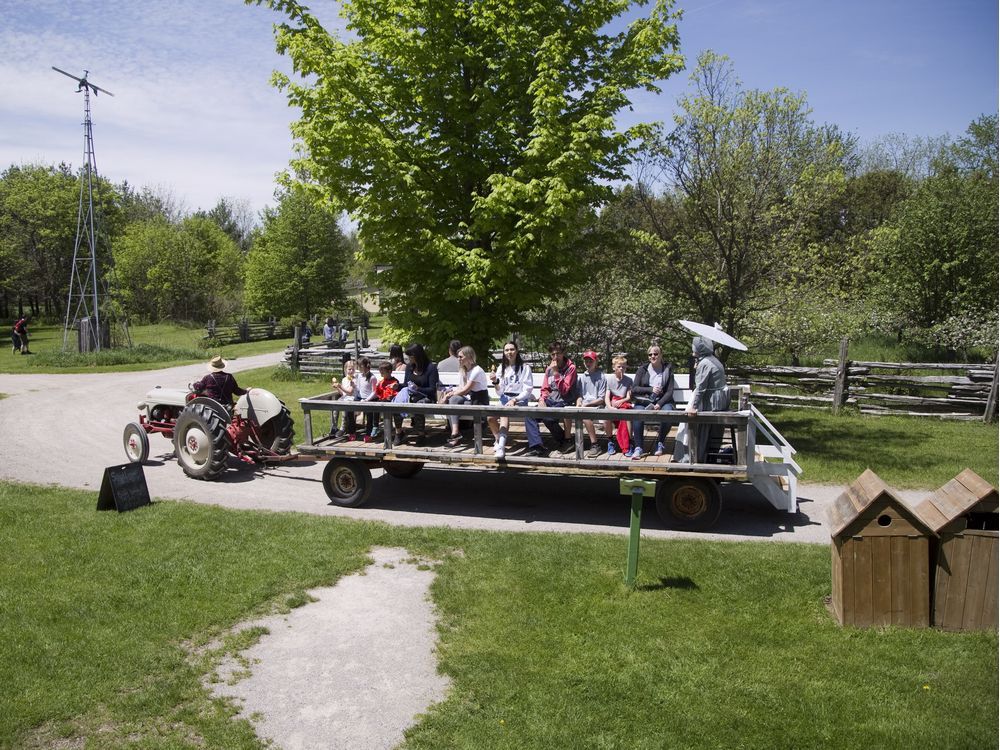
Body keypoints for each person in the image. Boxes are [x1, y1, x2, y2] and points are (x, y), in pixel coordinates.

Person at [679, 336, 731, 463]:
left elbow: (701, 388)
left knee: (700, 426)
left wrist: (694, 406)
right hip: (719, 399)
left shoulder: (705, 363)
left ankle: (697, 456)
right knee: (709, 430)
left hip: (713, 401)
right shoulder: (712, 360)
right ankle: (709, 455)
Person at [523, 341, 577, 457]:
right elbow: (545, 388)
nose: (555, 357)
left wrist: (557, 372)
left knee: (548, 418)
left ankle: (565, 440)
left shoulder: (571, 368)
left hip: (564, 400)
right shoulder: (548, 369)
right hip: (550, 400)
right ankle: (537, 446)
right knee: (530, 415)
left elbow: (564, 390)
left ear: (563, 353)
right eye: (553, 354)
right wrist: (542, 399)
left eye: (558, 354)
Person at [628, 343, 676, 460]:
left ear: (661, 355)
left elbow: (669, 392)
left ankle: (660, 442)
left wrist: (659, 404)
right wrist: (651, 389)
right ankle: (638, 447)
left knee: (668, 413)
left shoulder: (668, 369)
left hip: (663, 401)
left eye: (655, 354)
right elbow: (634, 388)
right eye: (650, 354)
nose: (653, 356)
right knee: (637, 414)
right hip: (644, 401)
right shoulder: (642, 369)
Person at [487, 341, 534, 460]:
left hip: (519, 399)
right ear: (504, 352)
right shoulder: (501, 368)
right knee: (490, 418)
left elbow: (527, 390)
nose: (509, 352)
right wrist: (495, 382)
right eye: (506, 350)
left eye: (512, 349)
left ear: (517, 351)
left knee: (504, 415)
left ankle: (501, 447)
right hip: (505, 398)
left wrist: (515, 399)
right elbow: (499, 392)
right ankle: (498, 439)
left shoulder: (524, 368)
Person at [442, 346, 491, 447]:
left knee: (453, 402)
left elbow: (465, 390)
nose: (458, 359)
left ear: (469, 357)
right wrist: (450, 393)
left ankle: (455, 436)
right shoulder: (464, 370)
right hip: (470, 399)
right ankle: (455, 433)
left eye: (460, 357)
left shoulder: (477, 370)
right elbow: (461, 388)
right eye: (458, 357)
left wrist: (450, 395)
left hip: (479, 400)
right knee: (453, 401)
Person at [393, 343, 439, 445]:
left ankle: (421, 434)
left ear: (416, 356)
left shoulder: (431, 368)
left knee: (418, 405)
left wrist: (419, 389)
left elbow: (432, 390)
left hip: (426, 397)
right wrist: (397, 386)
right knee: (396, 405)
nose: (408, 358)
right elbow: (406, 385)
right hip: (410, 395)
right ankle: (399, 433)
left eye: (410, 356)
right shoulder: (410, 367)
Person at [576, 350, 612, 458]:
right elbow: (580, 395)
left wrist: (587, 405)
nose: (588, 363)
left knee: (587, 416)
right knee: (579, 415)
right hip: (585, 405)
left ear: (596, 361)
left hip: (598, 405)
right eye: (586, 361)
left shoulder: (601, 376)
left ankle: (600, 443)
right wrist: (578, 401)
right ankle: (592, 444)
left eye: (590, 361)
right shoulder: (582, 376)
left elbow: (601, 398)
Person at [605, 355, 634, 455]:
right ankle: (610, 441)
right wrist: (610, 407)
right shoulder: (609, 379)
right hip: (612, 404)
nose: (621, 368)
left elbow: (628, 397)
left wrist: (620, 402)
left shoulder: (628, 380)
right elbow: (607, 396)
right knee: (605, 416)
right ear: (614, 367)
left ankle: (628, 443)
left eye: (623, 367)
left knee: (626, 416)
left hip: (623, 403)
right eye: (619, 366)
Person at [373, 361, 402, 438]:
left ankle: (392, 429)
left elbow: (395, 393)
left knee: (386, 405)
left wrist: (391, 393)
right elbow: (378, 393)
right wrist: (377, 387)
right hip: (383, 400)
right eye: (380, 373)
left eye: (383, 373)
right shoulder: (381, 382)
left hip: (391, 400)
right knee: (374, 405)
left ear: (389, 371)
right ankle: (375, 426)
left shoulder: (394, 381)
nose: (381, 375)